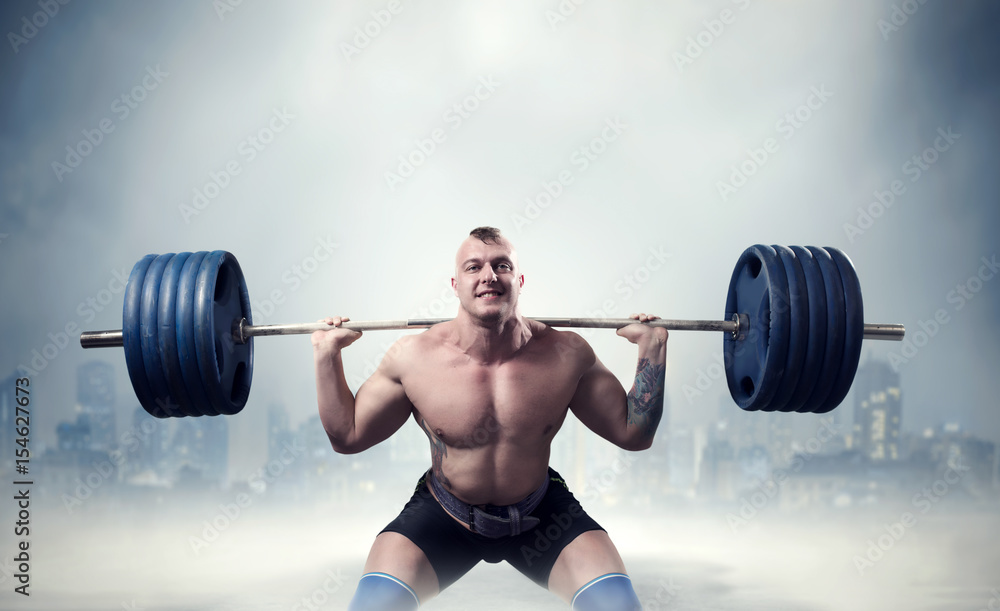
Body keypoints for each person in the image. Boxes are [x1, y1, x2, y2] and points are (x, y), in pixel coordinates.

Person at [312, 227, 667, 610]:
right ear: (455, 283)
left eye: (502, 265)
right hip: (444, 514)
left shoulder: (567, 354)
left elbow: (634, 433)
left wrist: (653, 349)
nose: (489, 276)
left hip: (541, 513)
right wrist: (326, 356)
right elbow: (347, 437)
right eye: (473, 267)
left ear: (519, 279)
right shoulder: (414, 358)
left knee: (618, 607)